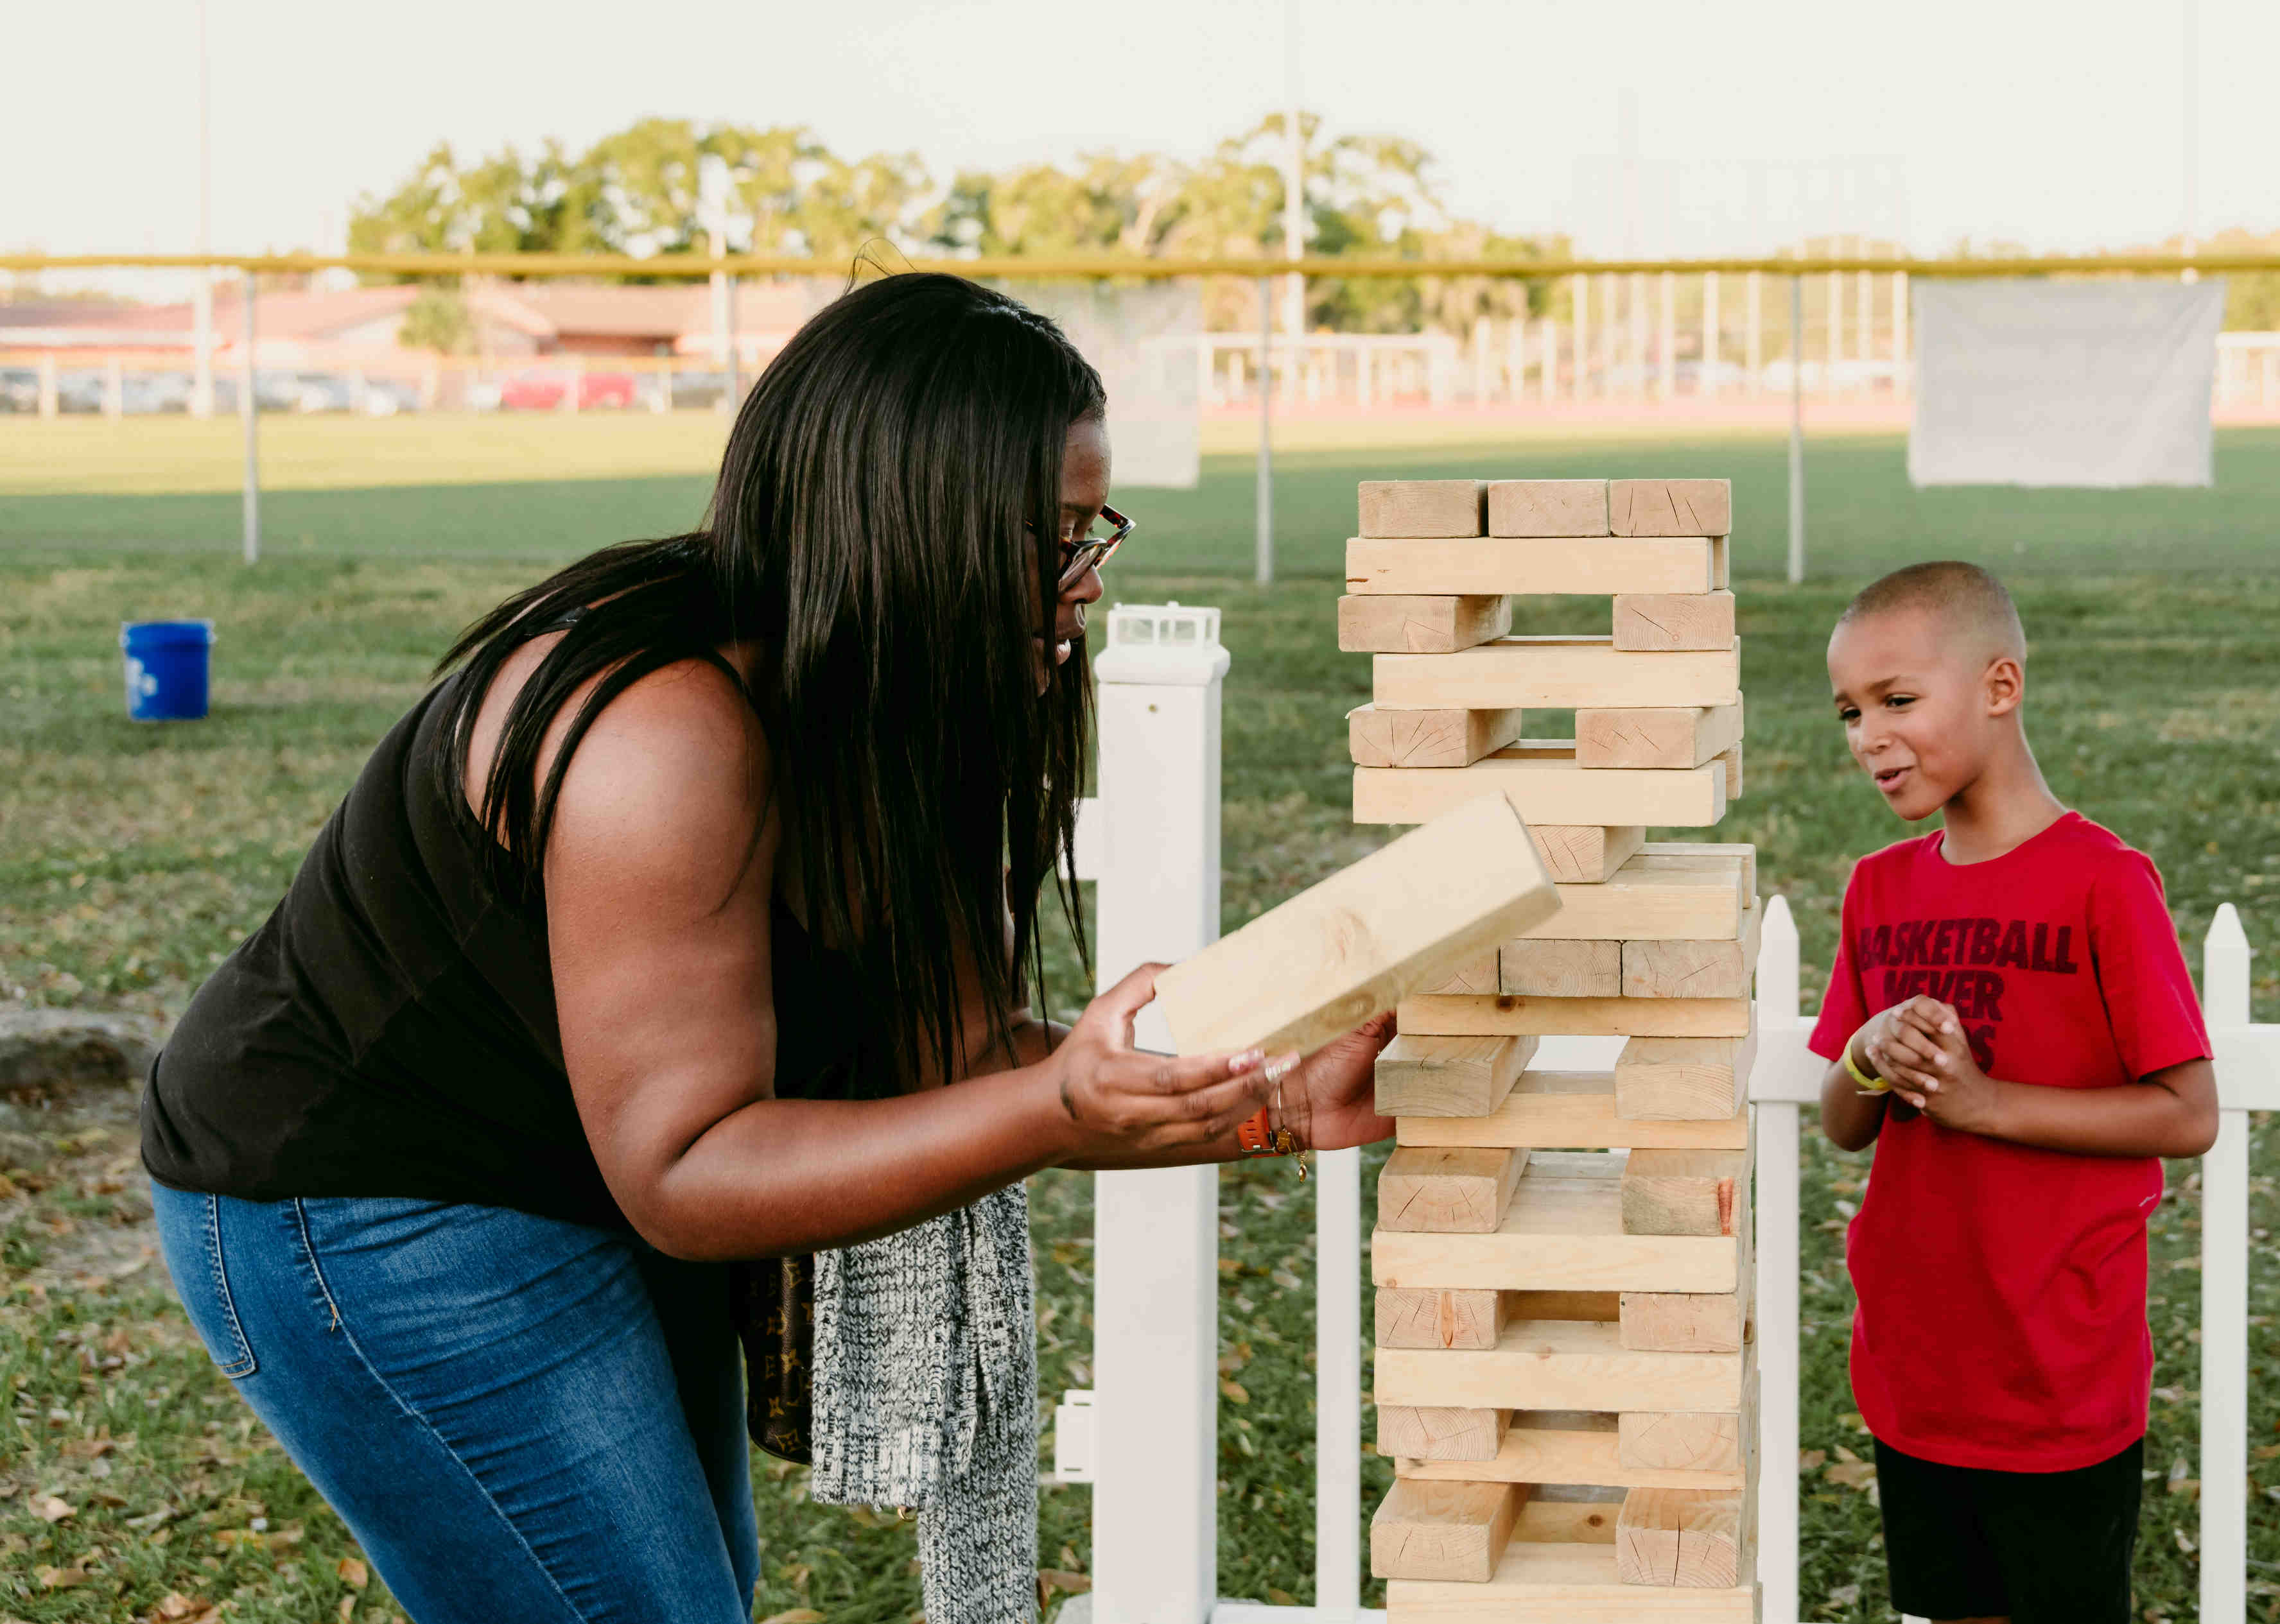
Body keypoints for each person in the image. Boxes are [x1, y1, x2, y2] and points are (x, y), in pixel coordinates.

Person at [139, 272, 1397, 1624]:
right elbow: (688, 1166)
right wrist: (1047, 1105)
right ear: (917, 531)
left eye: (1097, 535)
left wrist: (1262, 1097)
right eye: (1053, 541)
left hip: (582, 1168)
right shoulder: (658, 734)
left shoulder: (919, 702)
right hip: (363, 1202)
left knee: (687, 1590)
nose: (1084, 585)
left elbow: (960, 1055)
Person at [1809, 561, 2217, 1624]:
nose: (1868, 734)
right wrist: (1868, 1050)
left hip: (2058, 1377)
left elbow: (2187, 1112)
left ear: (2000, 686)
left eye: (1898, 700)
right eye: (1850, 711)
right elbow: (1844, 1126)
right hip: (1917, 1368)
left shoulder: (2102, 881)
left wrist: (1986, 1103)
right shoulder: (1878, 890)